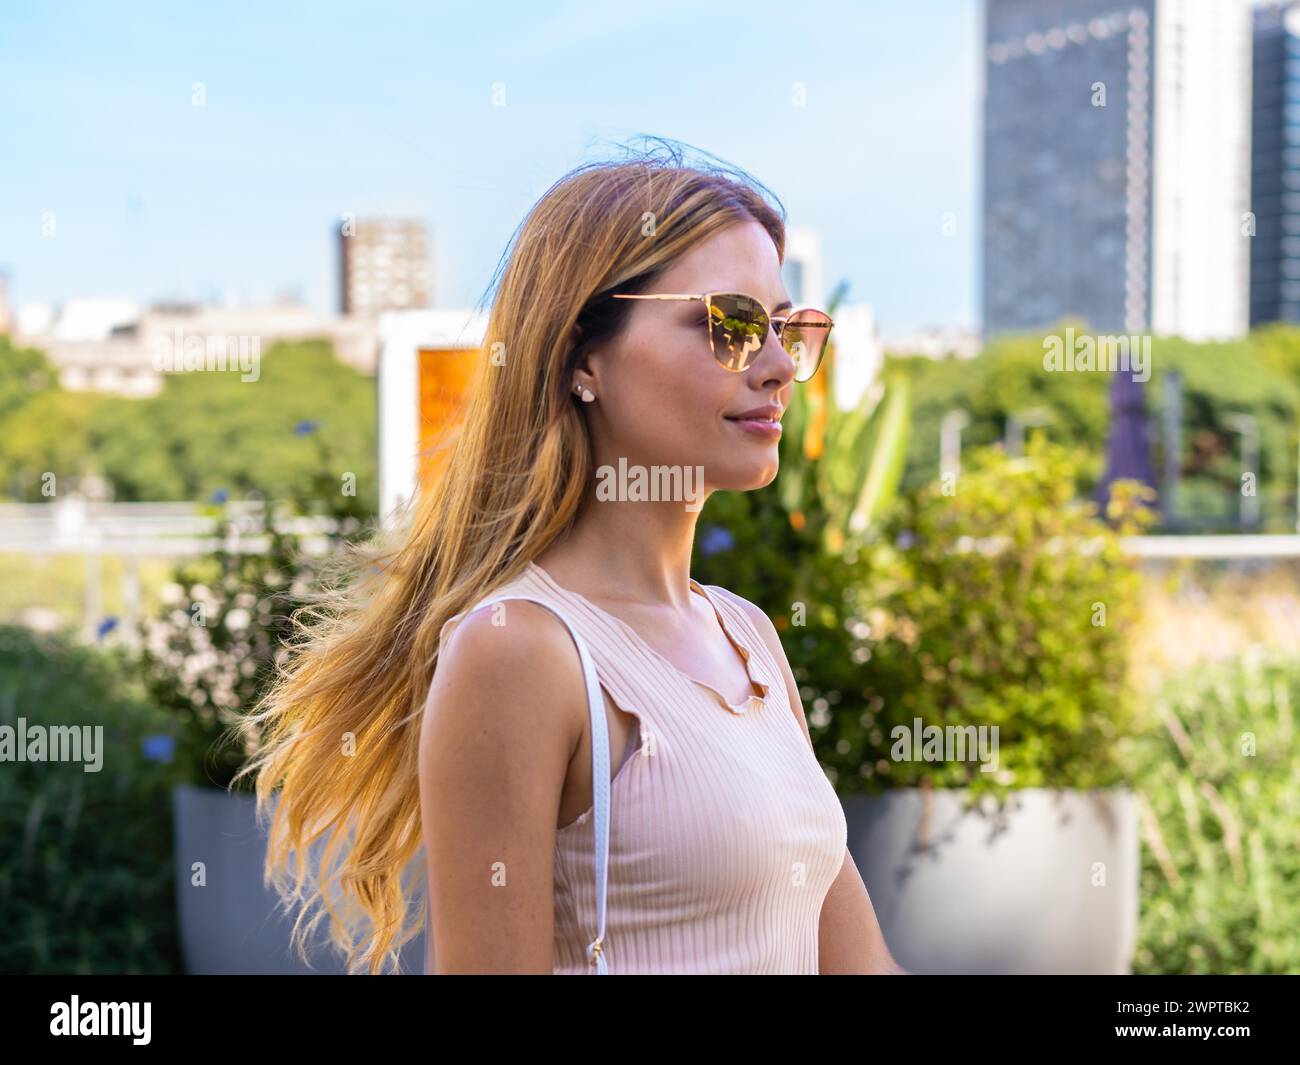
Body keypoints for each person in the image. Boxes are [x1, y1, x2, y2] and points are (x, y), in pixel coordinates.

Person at [236, 140, 907, 975]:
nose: (776, 367)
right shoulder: (518, 647)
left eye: (786, 329)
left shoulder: (745, 635)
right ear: (582, 356)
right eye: (729, 325)